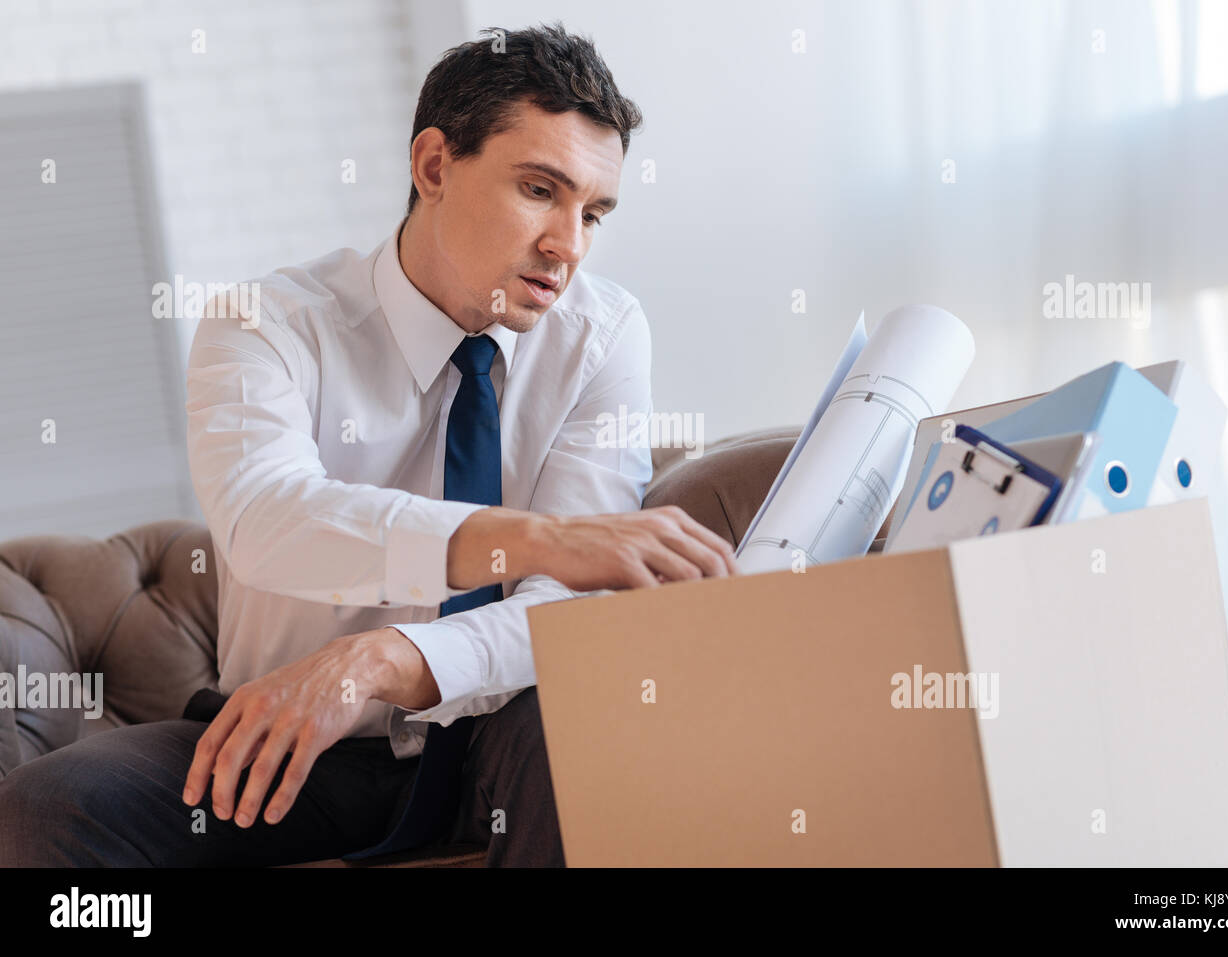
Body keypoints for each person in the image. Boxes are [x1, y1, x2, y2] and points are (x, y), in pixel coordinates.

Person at [0, 22, 736, 868]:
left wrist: (392, 657)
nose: (569, 246)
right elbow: (268, 519)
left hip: (499, 724)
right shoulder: (269, 324)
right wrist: (540, 539)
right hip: (300, 742)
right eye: (540, 190)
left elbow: (568, 611)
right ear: (432, 167)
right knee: (47, 811)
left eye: (593, 212)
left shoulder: (602, 336)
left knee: (579, 728)